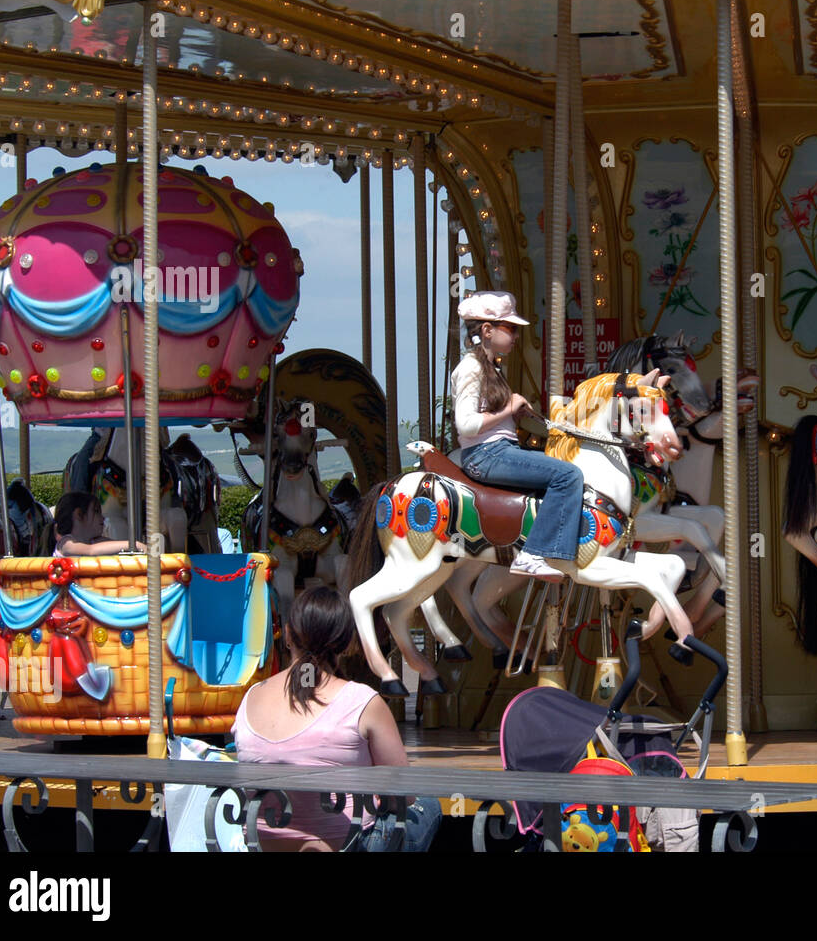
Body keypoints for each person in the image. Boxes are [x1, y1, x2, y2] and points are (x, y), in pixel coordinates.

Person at [232, 587, 442, 852]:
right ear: (345, 643)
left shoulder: (251, 697)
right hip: (345, 845)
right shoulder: (362, 701)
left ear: (287, 634)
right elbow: (404, 796)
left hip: (263, 845)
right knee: (429, 805)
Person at [452, 291, 584, 582]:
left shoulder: (490, 367)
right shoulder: (472, 368)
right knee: (568, 475)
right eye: (509, 328)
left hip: (496, 449)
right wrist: (508, 409)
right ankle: (533, 554)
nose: (514, 335)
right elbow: (466, 424)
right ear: (487, 330)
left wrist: (513, 414)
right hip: (486, 455)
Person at [52, 491, 145, 557]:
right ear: (79, 514)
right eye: (96, 511)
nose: (103, 518)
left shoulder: (94, 541)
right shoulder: (66, 543)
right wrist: (134, 545)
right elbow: (90, 550)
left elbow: (112, 546)